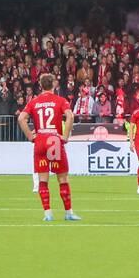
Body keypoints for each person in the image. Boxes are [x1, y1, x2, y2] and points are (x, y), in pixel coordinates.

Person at [19, 74, 81, 222]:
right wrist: (65, 136)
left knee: (43, 179)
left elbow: (21, 118)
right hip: (54, 139)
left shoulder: (34, 101)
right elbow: (70, 116)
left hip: (40, 140)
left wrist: (30, 135)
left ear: (40, 85)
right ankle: (68, 213)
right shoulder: (60, 100)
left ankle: (47, 213)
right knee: (63, 178)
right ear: (53, 84)